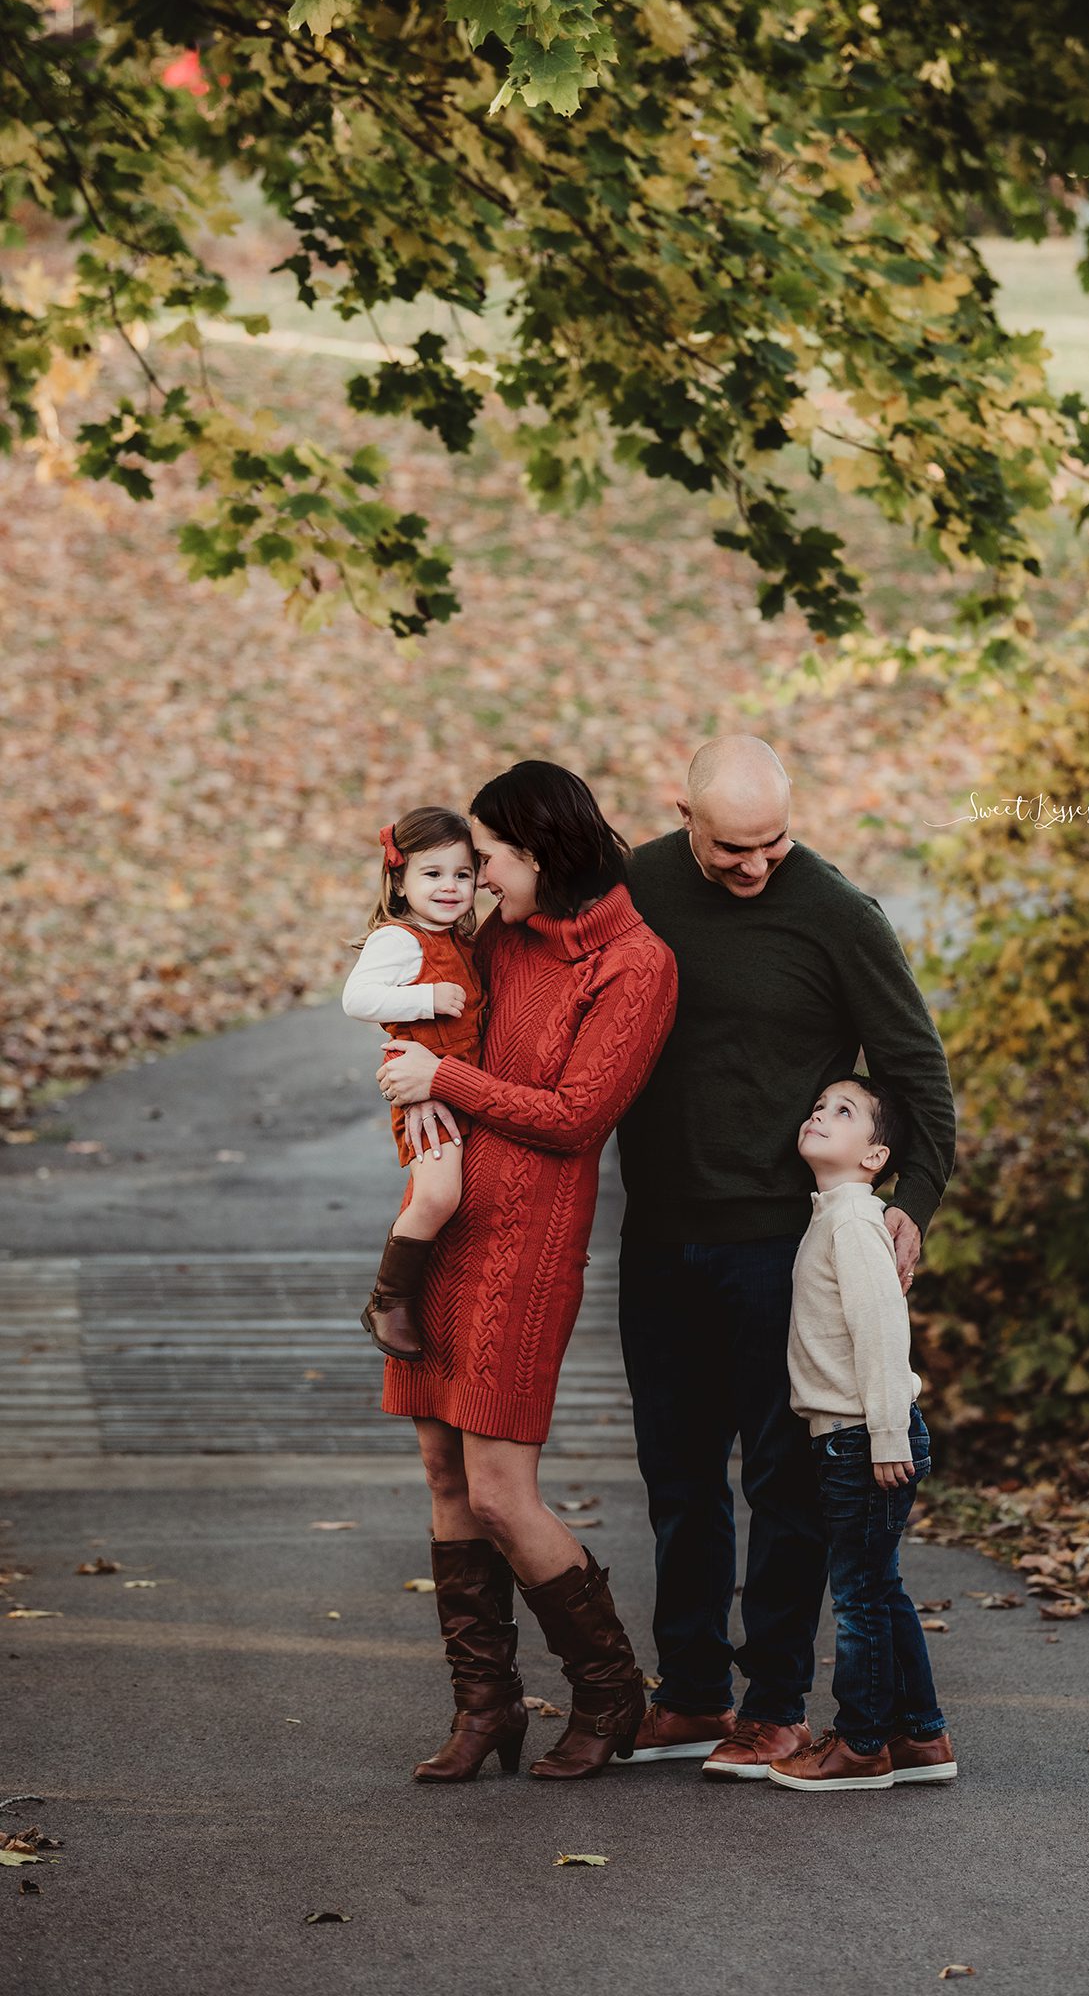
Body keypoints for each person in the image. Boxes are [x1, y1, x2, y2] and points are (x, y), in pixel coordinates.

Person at [617, 735, 956, 1779]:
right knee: (676, 1477)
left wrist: (915, 1201)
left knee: (782, 1482)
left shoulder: (837, 914)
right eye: (731, 848)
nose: (754, 865)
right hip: (659, 1234)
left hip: (775, 1243)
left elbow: (914, 1064)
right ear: (684, 815)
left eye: (772, 843)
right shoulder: (637, 885)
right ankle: (687, 1694)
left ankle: (771, 1705)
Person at [375, 761, 678, 1785]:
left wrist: (444, 1077)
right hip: (448, 1224)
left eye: (493, 857)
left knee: (503, 1492)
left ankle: (608, 1691)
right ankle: (485, 1704)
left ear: (540, 852)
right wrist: (409, 1073)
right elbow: (425, 1013)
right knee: (443, 1474)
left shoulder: (636, 965)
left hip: (527, 1246)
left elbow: (578, 1116)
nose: (481, 876)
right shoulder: (500, 937)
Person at [767, 1074, 955, 1792]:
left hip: (862, 1435)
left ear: (873, 1156)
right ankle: (922, 1735)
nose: (818, 1115)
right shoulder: (833, 1214)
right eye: (816, 1105)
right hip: (851, 1432)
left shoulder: (852, 1220)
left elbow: (882, 1334)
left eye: (841, 1112)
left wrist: (884, 1438)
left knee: (858, 1596)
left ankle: (864, 1743)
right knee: (879, 1586)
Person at [341, 807, 485, 1362]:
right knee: (438, 1193)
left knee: (456, 1195)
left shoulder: (456, 940)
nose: (450, 886)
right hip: (428, 1095)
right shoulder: (400, 940)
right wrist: (424, 999)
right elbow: (357, 999)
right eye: (433, 874)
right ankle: (389, 1298)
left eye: (463, 874)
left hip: (456, 1084)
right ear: (398, 881)